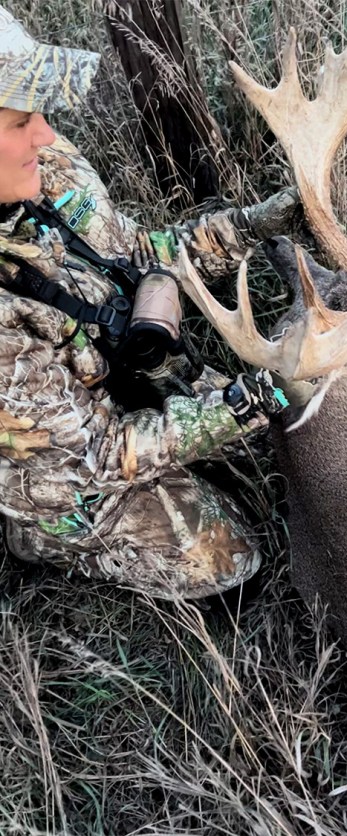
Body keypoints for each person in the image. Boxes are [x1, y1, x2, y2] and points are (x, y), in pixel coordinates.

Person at [0, 7, 298, 598]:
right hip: (70, 470)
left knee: (286, 452)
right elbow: (93, 454)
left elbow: (139, 252)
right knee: (226, 555)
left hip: (133, 378)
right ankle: (44, 539)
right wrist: (236, 408)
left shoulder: (48, 169)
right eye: (16, 122)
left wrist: (249, 226)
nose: (46, 134)